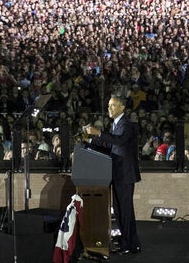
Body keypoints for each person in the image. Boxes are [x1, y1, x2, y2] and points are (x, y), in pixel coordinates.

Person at [83, 93, 142, 255]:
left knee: (125, 211)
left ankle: (131, 244)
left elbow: (119, 141)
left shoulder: (127, 125)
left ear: (122, 107)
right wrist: (89, 141)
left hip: (125, 174)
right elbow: (110, 146)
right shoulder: (115, 125)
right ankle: (126, 242)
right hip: (116, 174)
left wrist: (99, 133)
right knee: (119, 210)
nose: (109, 108)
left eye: (113, 105)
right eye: (108, 105)